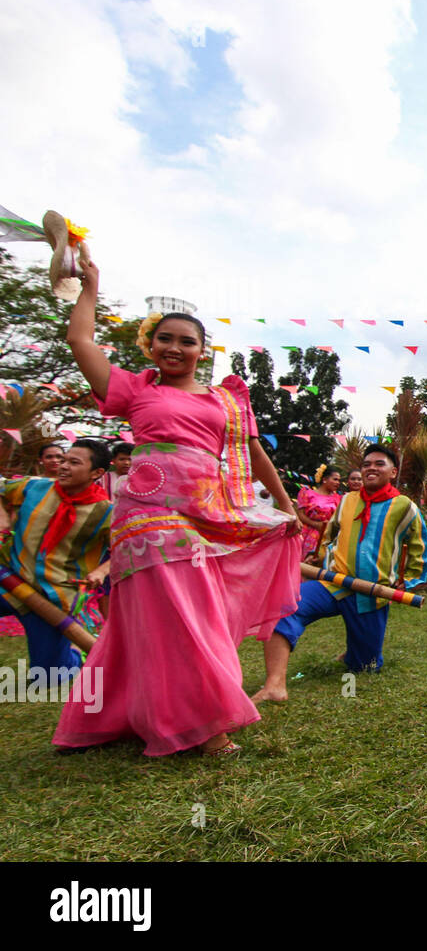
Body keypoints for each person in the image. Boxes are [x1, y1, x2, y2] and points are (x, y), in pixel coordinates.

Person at [53, 259, 303, 756]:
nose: (175, 348)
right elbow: (81, 343)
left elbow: (252, 454)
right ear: (150, 345)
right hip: (150, 514)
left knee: (159, 620)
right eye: (165, 338)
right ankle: (207, 726)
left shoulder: (227, 400)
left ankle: (110, 715)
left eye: (187, 341)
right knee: (182, 614)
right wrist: (92, 287)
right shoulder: (136, 388)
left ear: (201, 351)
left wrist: (282, 503)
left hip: (213, 515)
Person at [253, 444, 427, 702]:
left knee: (365, 667)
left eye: (379, 464)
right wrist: (320, 557)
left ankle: (354, 652)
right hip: (333, 582)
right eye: (366, 463)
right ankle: (274, 686)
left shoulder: (404, 506)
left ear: (393, 472)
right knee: (284, 606)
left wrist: (411, 580)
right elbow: (330, 533)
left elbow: (420, 548)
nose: (371, 468)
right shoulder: (347, 500)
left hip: (370, 593)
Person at [0, 439, 113, 682]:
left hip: (54, 600)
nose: (63, 466)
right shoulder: (33, 487)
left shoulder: (106, 512)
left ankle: (73, 658)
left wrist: (101, 572)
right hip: (9, 581)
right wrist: (3, 518)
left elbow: (124, 550)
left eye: (74, 462)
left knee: (49, 677)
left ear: (97, 473)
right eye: (63, 460)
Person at [296, 465, 344, 562]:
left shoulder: (338, 498)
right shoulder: (307, 493)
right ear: (325, 479)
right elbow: (300, 514)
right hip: (306, 533)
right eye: (335, 479)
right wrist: (316, 524)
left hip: (325, 536)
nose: (338, 483)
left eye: (339, 480)